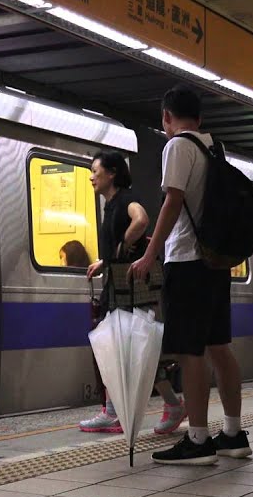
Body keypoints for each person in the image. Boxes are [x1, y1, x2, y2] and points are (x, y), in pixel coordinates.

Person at [130, 85, 249, 465]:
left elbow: (173, 199)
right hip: (215, 263)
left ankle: (198, 439)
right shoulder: (213, 147)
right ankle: (232, 434)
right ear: (199, 116)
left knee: (189, 351)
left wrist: (151, 253)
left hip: (187, 263)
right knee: (219, 347)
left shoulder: (178, 146)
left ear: (167, 116)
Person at [79, 151, 185, 435]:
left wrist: (125, 242)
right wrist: (106, 261)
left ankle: (166, 406)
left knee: (137, 349)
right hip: (118, 285)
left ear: (111, 173)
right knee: (119, 347)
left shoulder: (124, 199)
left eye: (95, 171)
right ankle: (116, 410)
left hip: (133, 289)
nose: (91, 176)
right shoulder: (110, 206)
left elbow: (142, 219)